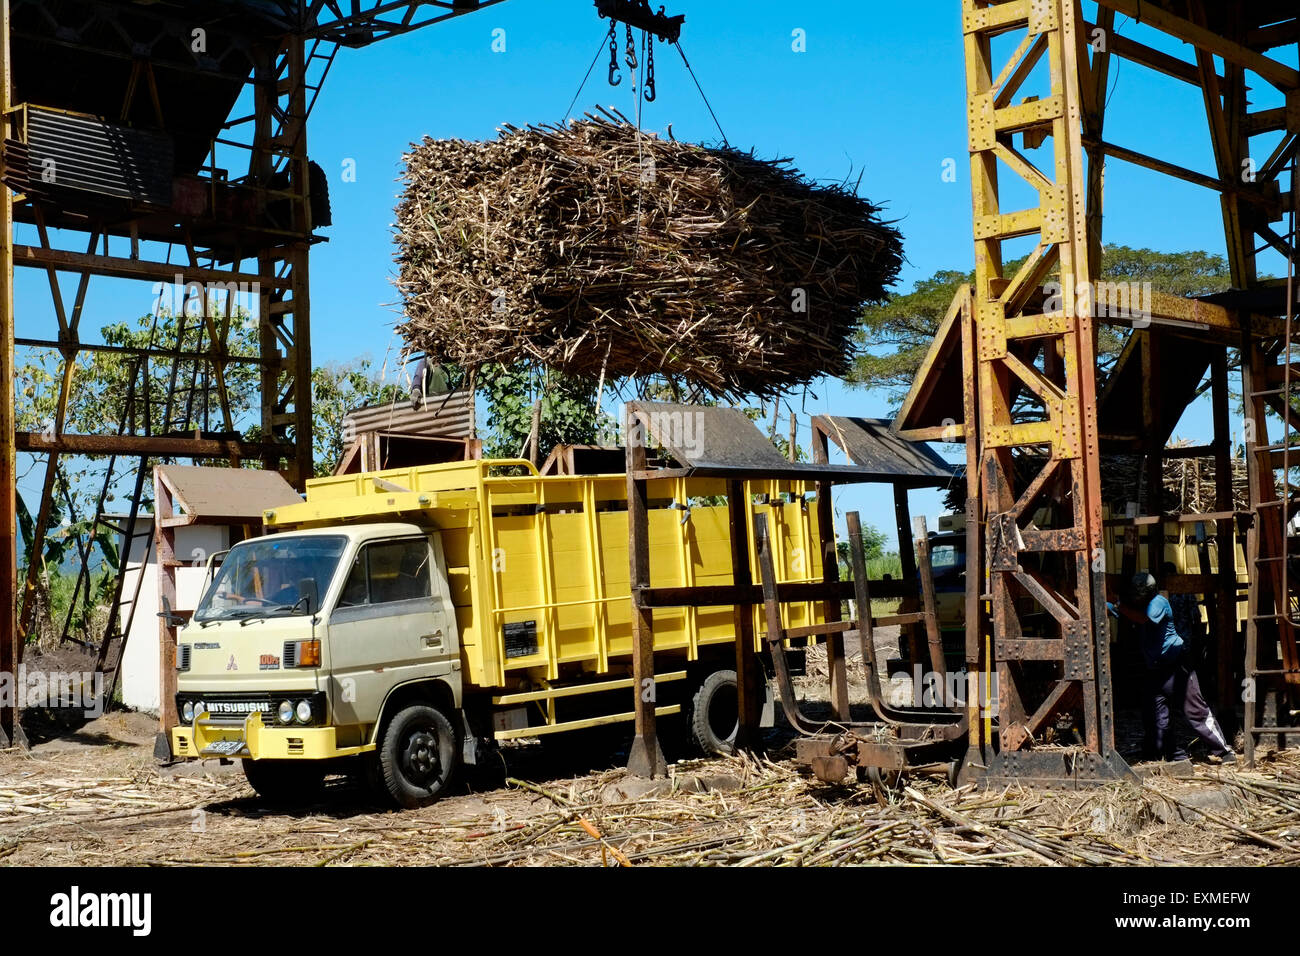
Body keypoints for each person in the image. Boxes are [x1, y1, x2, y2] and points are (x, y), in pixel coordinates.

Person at [1109, 571, 1235, 764]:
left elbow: (1143, 618)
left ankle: (1224, 752)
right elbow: (1123, 613)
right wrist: (1108, 604)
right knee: (1156, 717)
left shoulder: (1158, 602)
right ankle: (1174, 755)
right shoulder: (1140, 605)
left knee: (1195, 712)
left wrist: (1118, 605)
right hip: (1156, 670)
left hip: (1177, 667)